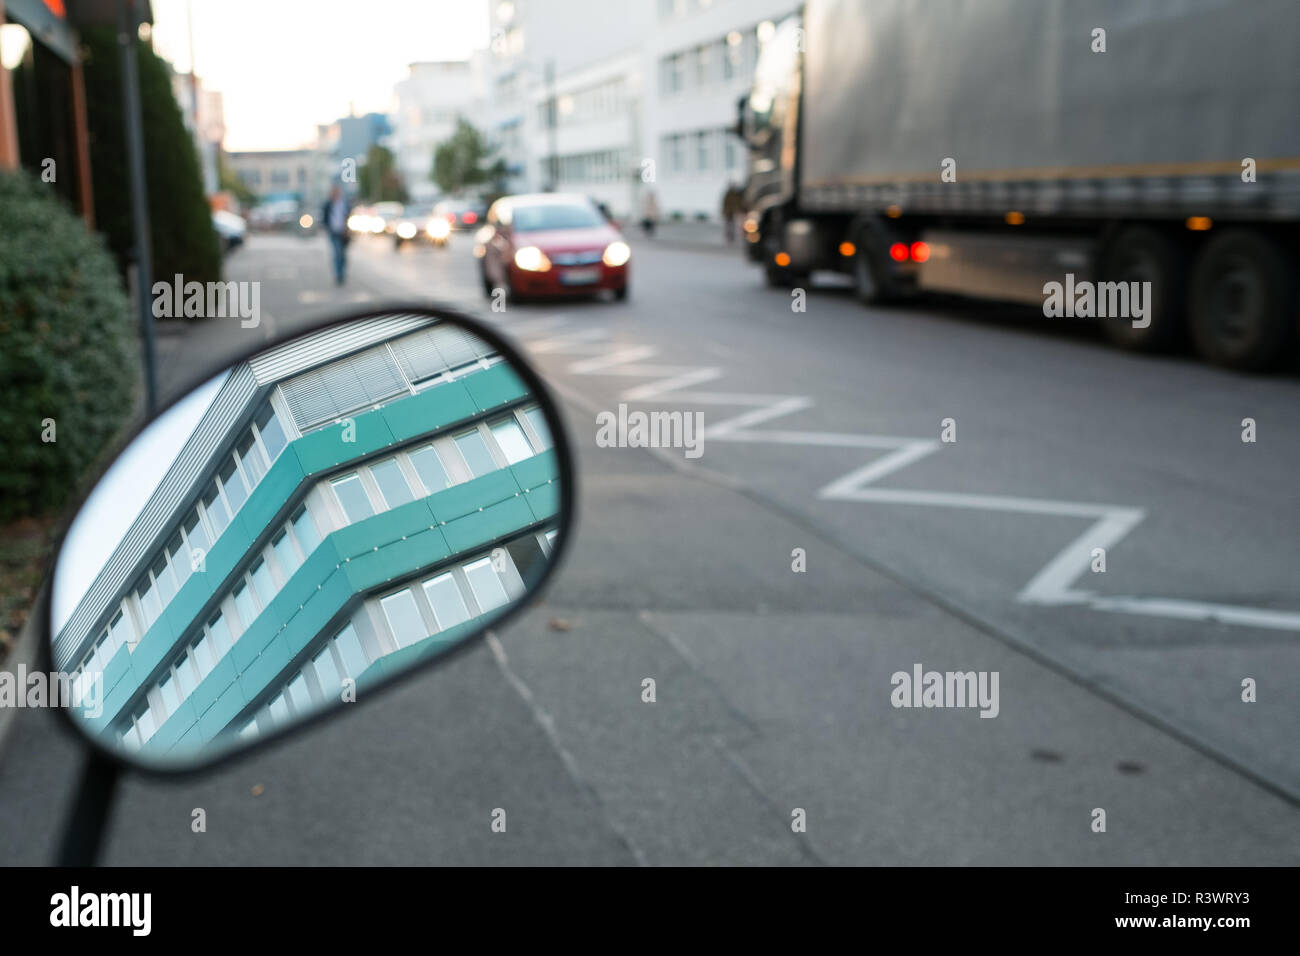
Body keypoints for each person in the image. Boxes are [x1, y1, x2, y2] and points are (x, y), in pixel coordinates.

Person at [321, 185, 352, 286]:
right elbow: (324, 218)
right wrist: (327, 228)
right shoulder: (328, 204)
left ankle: (342, 271)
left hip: (343, 233)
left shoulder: (344, 204)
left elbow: (349, 216)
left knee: (343, 254)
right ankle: (339, 275)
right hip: (333, 232)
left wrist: (348, 229)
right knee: (337, 253)